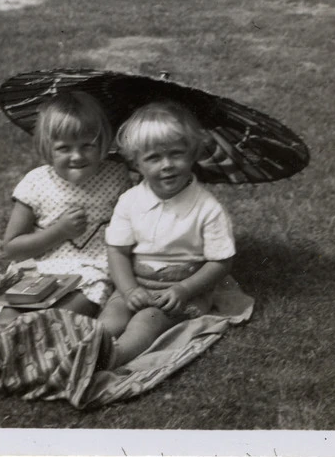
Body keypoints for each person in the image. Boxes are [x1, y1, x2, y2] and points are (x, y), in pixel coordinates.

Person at [98, 101, 235, 368]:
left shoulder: (207, 208)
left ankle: (116, 356)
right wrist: (128, 289)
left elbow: (221, 262)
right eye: (153, 158)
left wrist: (184, 289)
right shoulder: (129, 201)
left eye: (176, 154)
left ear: (193, 153)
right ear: (136, 163)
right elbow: (117, 251)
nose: (167, 165)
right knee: (113, 315)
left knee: (146, 320)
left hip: (183, 287)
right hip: (137, 280)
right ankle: (89, 344)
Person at [1, 90, 132, 321]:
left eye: (87, 145)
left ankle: (37, 342)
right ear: (47, 147)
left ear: (102, 142)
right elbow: (12, 248)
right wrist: (59, 231)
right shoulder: (36, 183)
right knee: (9, 317)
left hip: (90, 271)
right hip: (40, 269)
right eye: (64, 148)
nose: (77, 156)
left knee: (57, 317)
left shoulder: (116, 176)